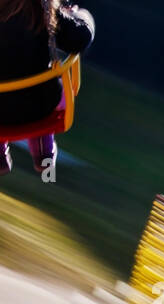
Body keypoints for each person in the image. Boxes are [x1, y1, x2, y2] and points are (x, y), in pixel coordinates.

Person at [0, 0, 94, 176]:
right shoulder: (43, 8)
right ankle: (44, 152)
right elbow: (80, 38)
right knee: (43, 85)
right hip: (40, 110)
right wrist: (81, 15)